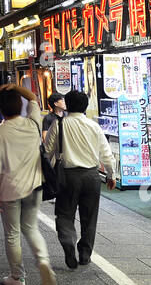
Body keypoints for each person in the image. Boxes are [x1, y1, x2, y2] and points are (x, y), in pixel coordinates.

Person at [0, 85, 57, 285]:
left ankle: (18, 277)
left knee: (12, 234)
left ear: (0, 109)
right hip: (34, 186)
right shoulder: (33, 123)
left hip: (10, 190)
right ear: (19, 105)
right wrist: (15, 87)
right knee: (31, 227)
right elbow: (33, 97)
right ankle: (43, 260)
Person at [45, 90, 118, 269]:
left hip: (67, 176)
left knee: (64, 214)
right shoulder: (94, 126)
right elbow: (106, 153)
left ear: (68, 105)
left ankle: (68, 242)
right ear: (85, 106)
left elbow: (47, 151)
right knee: (89, 217)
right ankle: (85, 254)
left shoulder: (59, 124)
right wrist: (111, 174)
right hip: (92, 176)